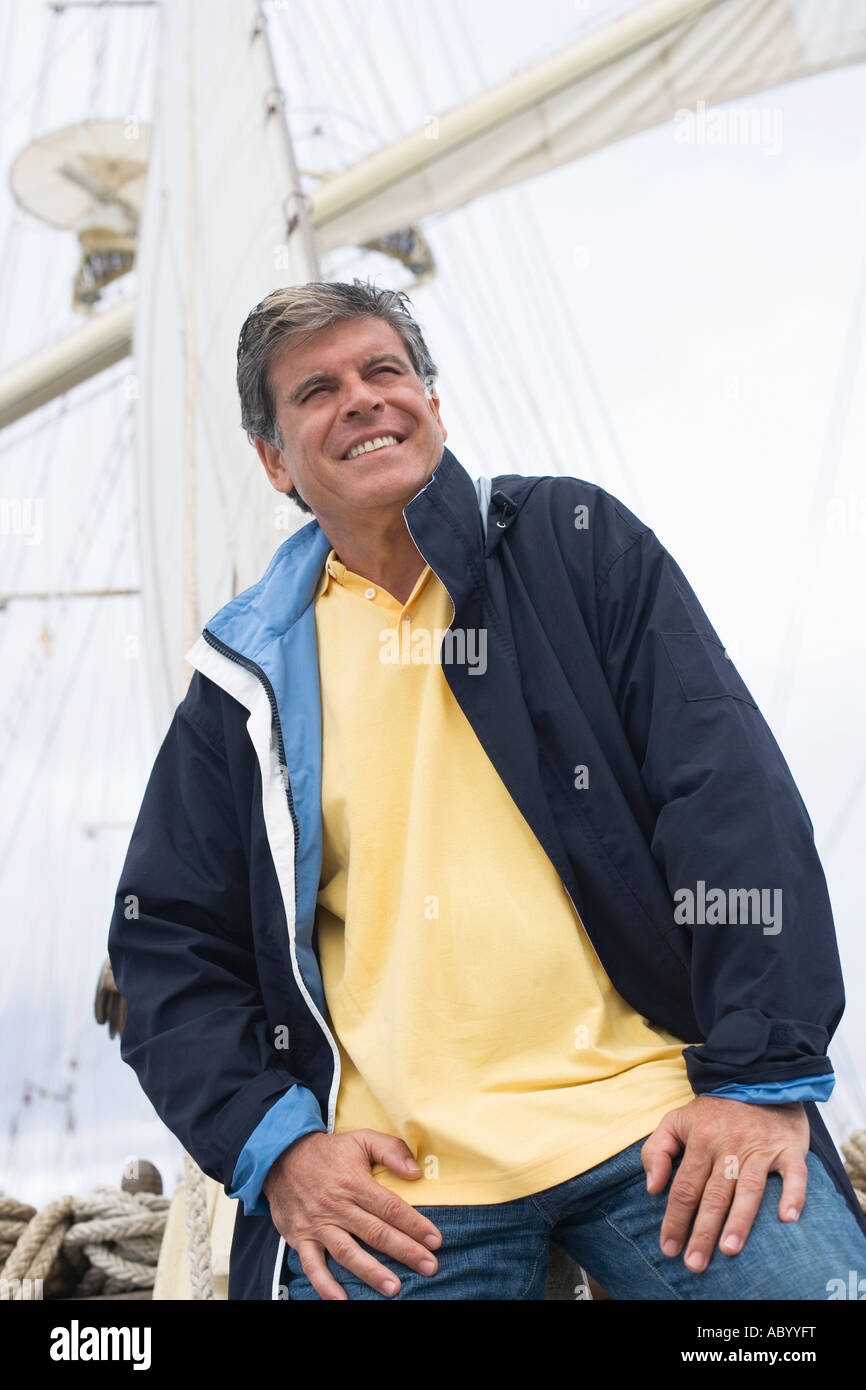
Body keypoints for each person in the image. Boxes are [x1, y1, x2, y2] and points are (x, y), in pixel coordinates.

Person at [108, 279, 866, 1301]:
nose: (365, 399)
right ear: (274, 460)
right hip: (395, 1187)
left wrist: (759, 1077)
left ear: (431, 401)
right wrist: (275, 1146)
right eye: (318, 390)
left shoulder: (572, 544)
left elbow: (726, 802)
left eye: (386, 371)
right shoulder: (236, 684)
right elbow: (164, 942)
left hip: (658, 1120)